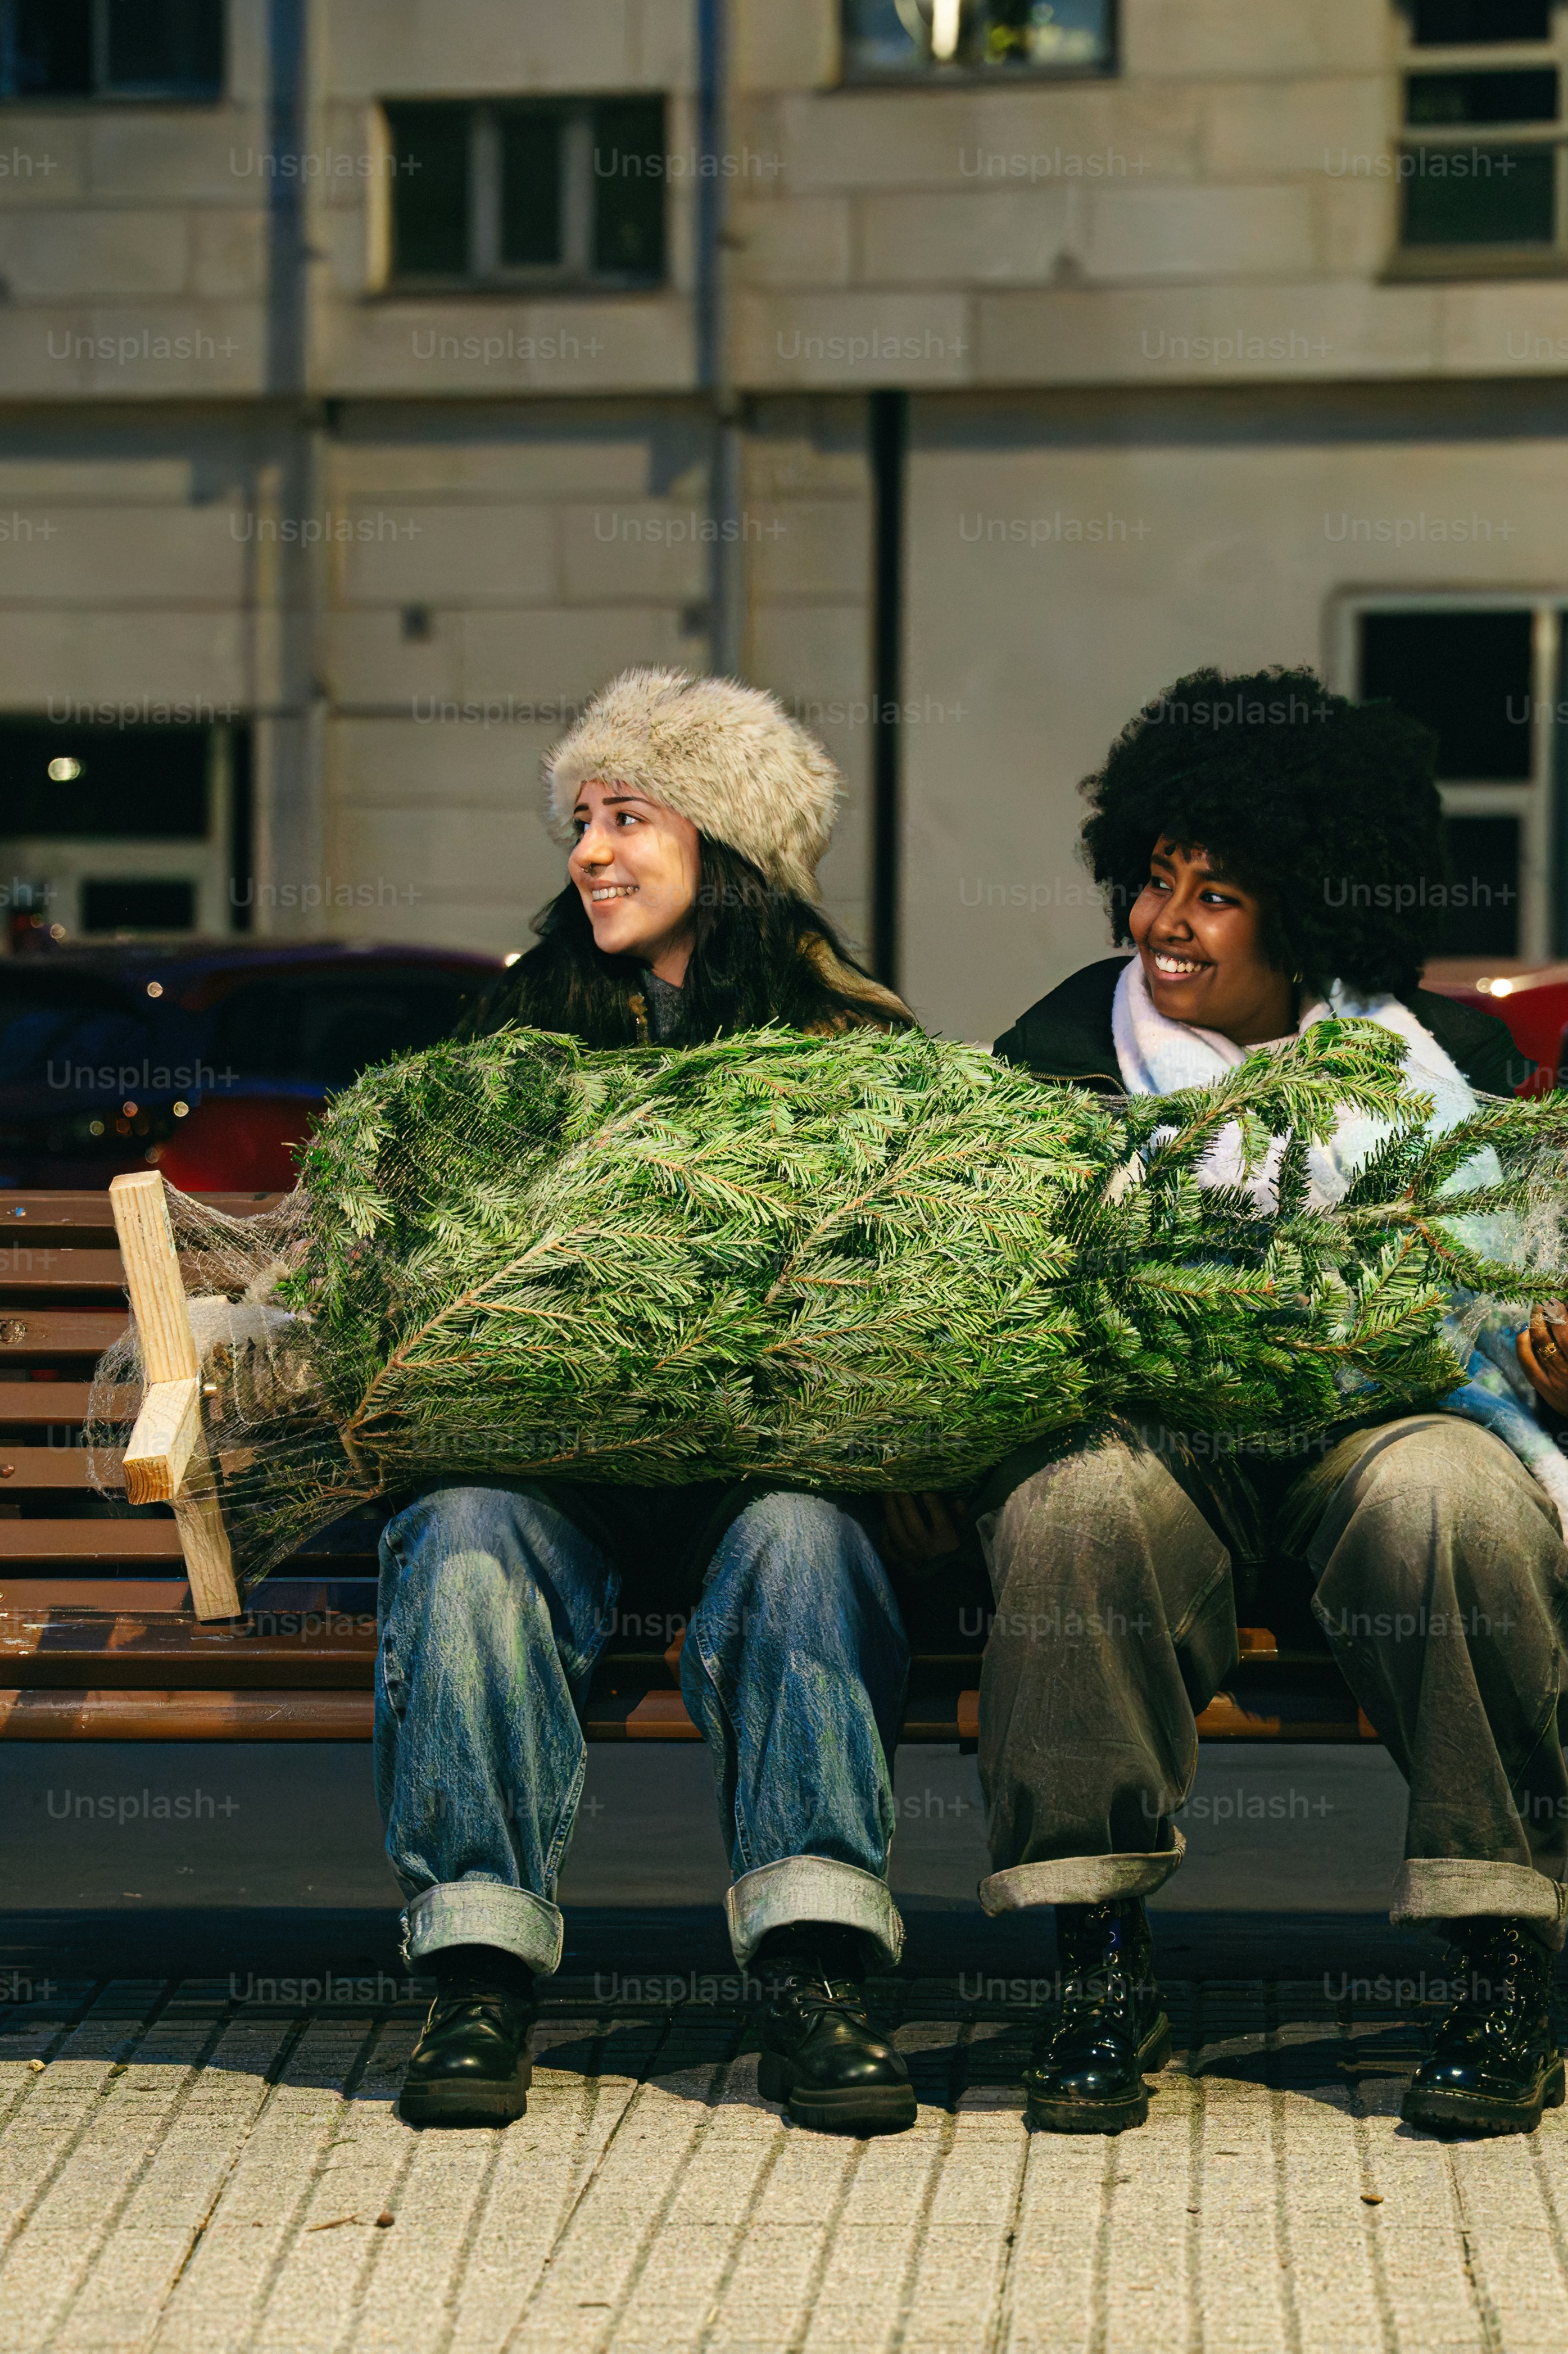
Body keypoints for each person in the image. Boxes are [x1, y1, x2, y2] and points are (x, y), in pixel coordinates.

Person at [937, 666, 1568, 2138]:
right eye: (1155, 881)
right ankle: (1096, 1957)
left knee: (1460, 1501)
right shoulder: (1063, 1056)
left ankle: (1500, 1958)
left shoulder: (1451, 1070)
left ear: (1306, 911)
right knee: (1074, 1507)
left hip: (1386, 1418)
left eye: (1217, 892)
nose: (1164, 923)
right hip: (1167, 1430)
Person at [380, 666, 926, 2135]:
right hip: (567, 1471)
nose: (590, 852)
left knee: (809, 1545)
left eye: (631, 815)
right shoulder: (524, 1027)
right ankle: (479, 1969)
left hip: (767, 1469)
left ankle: (817, 1967)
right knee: (465, 1533)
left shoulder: (852, 1043)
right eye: (581, 818)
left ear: (732, 850)